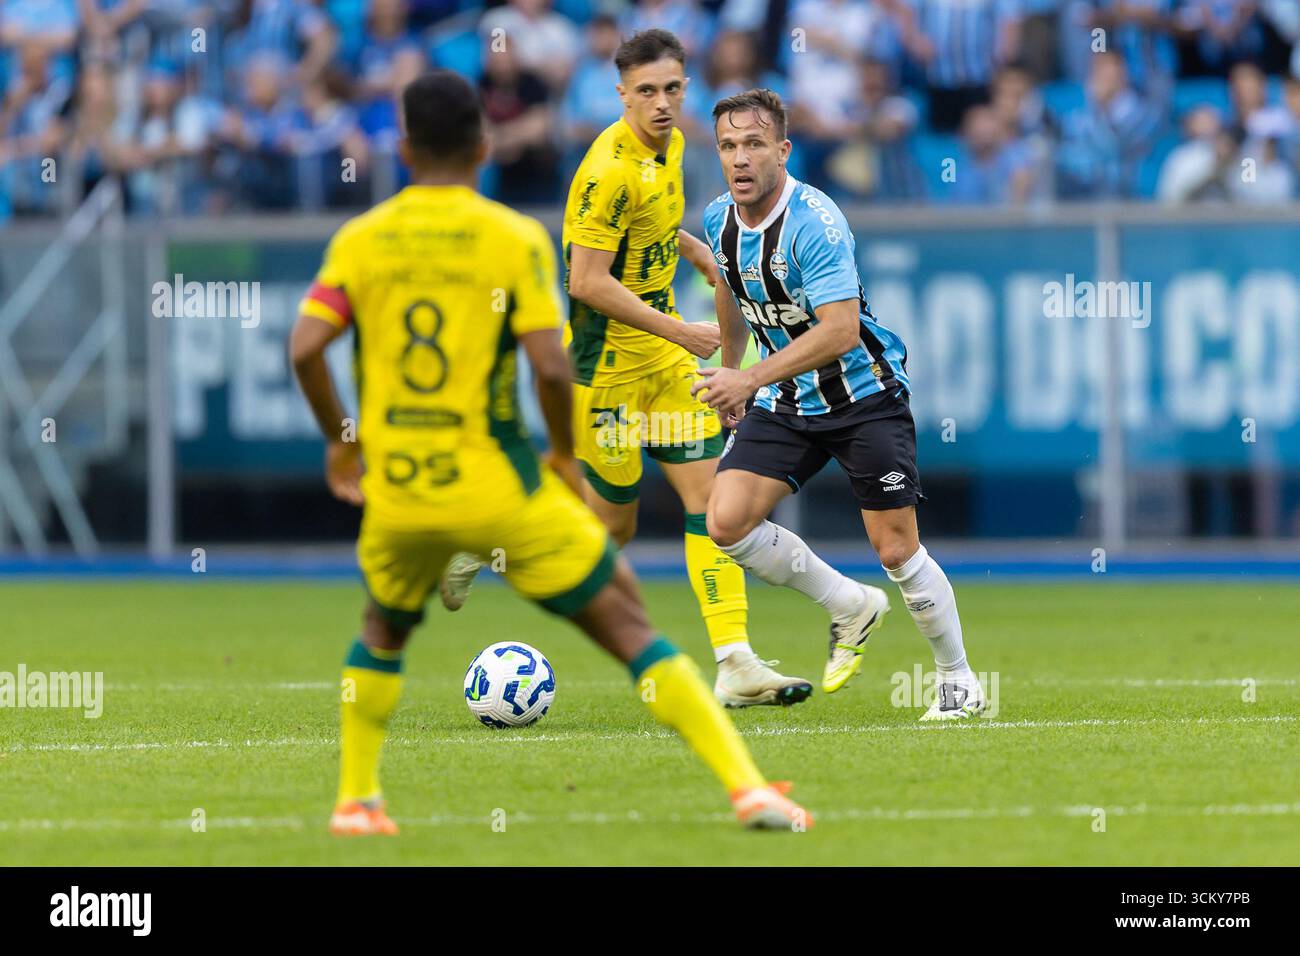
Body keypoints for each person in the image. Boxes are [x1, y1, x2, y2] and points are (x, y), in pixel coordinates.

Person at [289, 69, 810, 836]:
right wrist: (564, 457)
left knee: (382, 631)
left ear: (401, 149)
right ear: (484, 146)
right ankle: (749, 791)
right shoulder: (508, 237)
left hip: (399, 492)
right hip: (498, 486)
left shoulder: (361, 240)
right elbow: (550, 364)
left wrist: (344, 447)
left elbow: (305, 346)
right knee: (632, 626)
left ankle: (357, 801)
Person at [443, 30, 815, 709]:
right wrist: (681, 327)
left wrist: (694, 250)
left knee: (712, 502)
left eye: (674, 88)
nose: (664, 103)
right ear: (621, 94)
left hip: (663, 364)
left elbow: (644, 223)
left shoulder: (668, 146)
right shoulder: (605, 169)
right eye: (647, 91)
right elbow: (585, 279)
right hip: (604, 372)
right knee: (608, 530)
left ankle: (735, 663)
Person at [692, 88, 986, 719]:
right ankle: (848, 604)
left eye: (752, 145)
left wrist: (747, 379)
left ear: (782, 150)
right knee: (726, 520)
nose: (739, 159)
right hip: (788, 396)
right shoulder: (719, 217)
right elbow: (729, 290)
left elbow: (840, 330)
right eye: (727, 146)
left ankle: (959, 681)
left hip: (863, 396)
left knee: (896, 548)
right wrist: (731, 372)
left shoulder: (814, 222)